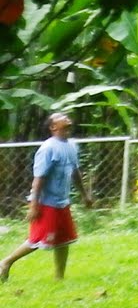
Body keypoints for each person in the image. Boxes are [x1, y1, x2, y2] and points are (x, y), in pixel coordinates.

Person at [0, 113, 93, 282]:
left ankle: (59, 277)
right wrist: (34, 205)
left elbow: (75, 172)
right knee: (37, 240)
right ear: (53, 127)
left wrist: (85, 195)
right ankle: (5, 262)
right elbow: (39, 179)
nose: (67, 119)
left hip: (62, 202)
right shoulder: (48, 148)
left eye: (67, 117)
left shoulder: (72, 146)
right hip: (46, 203)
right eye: (62, 118)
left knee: (65, 239)